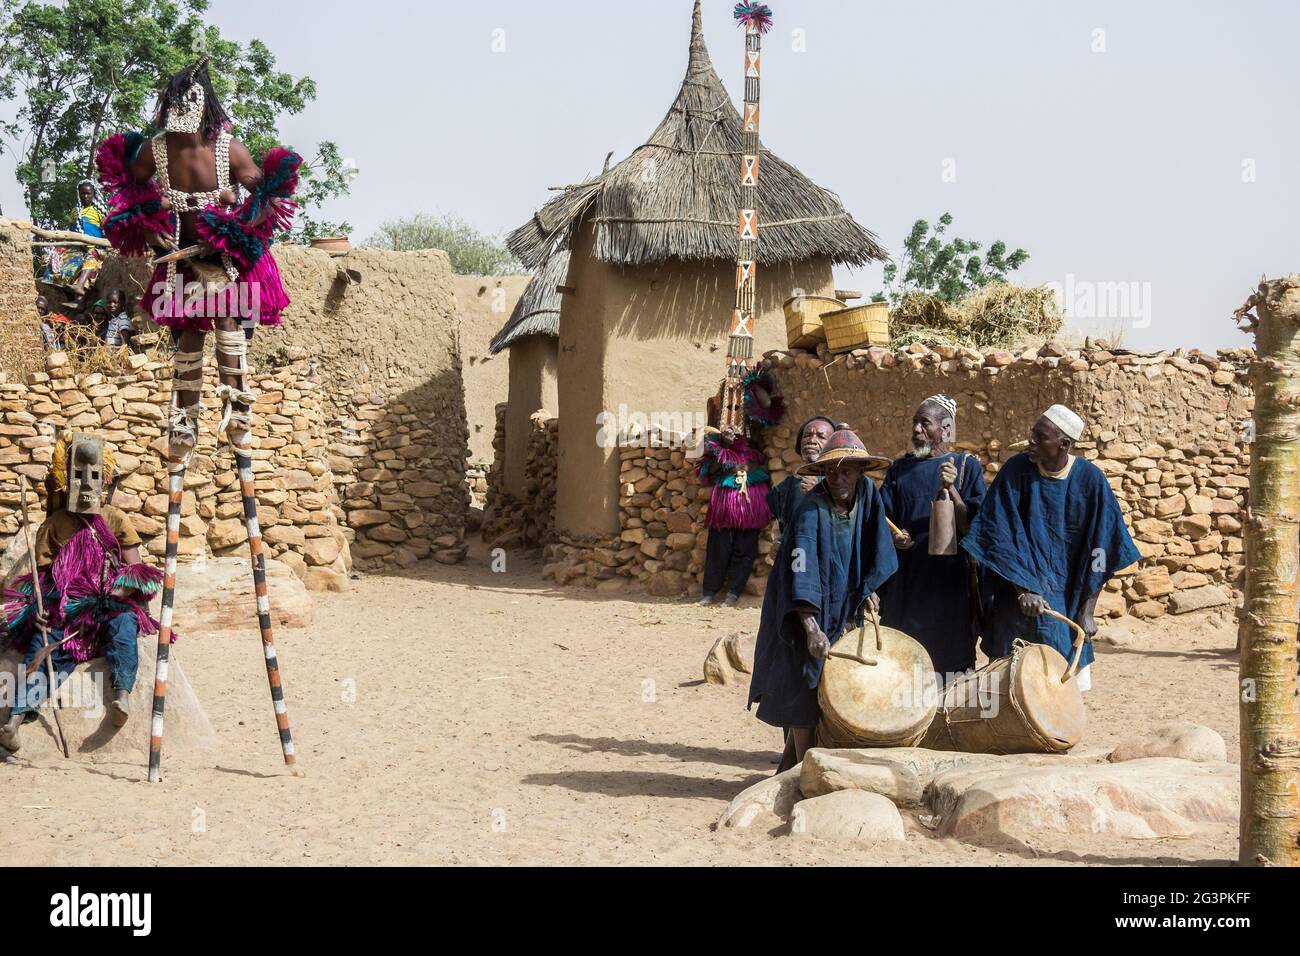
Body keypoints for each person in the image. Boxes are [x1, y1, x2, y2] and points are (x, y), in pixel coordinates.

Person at [96, 54, 301, 460]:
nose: (182, 109)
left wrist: (234, 229)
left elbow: (270, 194)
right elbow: (127, 190)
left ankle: (239, 412)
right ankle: (184, 423)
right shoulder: (155, 150)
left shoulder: (228, 148)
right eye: (175, 101)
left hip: (227, 262)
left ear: (204, 102)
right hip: (180, 263)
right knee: (188, 336)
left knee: (228, 323)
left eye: (189, 100)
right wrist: (151, 228)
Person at [1, 433, 163, 754]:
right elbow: (44, 578)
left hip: (109, 604)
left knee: (123, 629)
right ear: (67, 481)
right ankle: (15, 720)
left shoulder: (116, 519)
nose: (87, 484)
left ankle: (121, 697)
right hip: (68, 608)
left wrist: (118, 594)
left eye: (94, 477)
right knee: (45, 650)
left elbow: (136, 570)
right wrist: (43, 607)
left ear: (105, 480)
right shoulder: (55, 525)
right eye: (79, 476)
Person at [747, 429, 898, 772]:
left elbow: (875, 549)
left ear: (861, 471)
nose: (838, 479)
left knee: (836, 685)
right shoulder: (810, 512)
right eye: (831, 472)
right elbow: (802, 572)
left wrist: (869, 588)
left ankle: (790, 768)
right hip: (801, 607)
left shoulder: (869, 498)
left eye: (847, 471)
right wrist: (811, 626)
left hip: (844, 604)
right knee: (806, 683)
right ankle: (805, 769)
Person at [961, 405, 1140, 692]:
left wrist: (1088, 609)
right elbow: (998, 535)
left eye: (1040, 436)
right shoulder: (1016, 471)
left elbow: (1103, 549)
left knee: (1059, 686)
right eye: (1032, 433)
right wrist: (1024, 589)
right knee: (1011, 688)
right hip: (1015, 599)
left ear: (1064, 445)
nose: (1030, 441)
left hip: (1066, 599)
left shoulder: (1090, 480)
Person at [878, 395, 987, 681]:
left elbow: (974, 528)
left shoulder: (965, 467)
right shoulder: (899, 470)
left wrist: (952, 490)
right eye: (914, 422)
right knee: (904, 663)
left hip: (949, 587)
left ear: (946, 428)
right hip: (906, 584)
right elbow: (881, 521)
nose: (916, 430)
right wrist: (895, 538)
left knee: (950, 665)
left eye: (924, 423)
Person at [766, 415, 835, 535]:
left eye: (821, 436)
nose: (811, 440)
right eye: (807, 435)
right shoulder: (788, 485)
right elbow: (781, 523)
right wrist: (778, 541)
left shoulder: (842, 483)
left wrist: (820, 495)